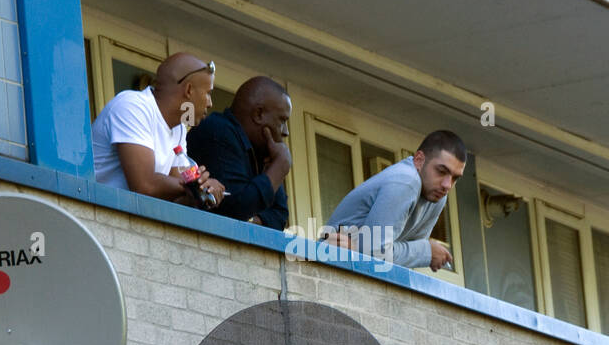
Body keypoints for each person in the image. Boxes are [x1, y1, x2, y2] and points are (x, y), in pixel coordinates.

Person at [91, 52, 225, 207]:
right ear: (189, 90)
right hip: (92, 215)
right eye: (208, 93)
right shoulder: (134, 106)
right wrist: (195, 186)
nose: (210, 104)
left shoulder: (179, 128)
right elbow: (144, 184)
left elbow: (176, 195)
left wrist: (202, 190)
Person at [324, 129, 467, 271]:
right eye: (441, 171)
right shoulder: (406, 181)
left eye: (455, 178)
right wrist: (426, 252)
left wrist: (359, 248)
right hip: (329, 267)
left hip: (361, 273)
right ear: (419, 160)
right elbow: (375, 253)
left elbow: (399, 258)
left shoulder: (437, 195)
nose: (447, 185)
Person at [186, 76, 291, 229]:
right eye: (282, 121)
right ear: (258, 114)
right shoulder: (218, 131)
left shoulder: (261, 149)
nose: (285, 132)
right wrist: (279, 167)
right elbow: (236, 210)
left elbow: (279, 216)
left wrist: (250, 219)